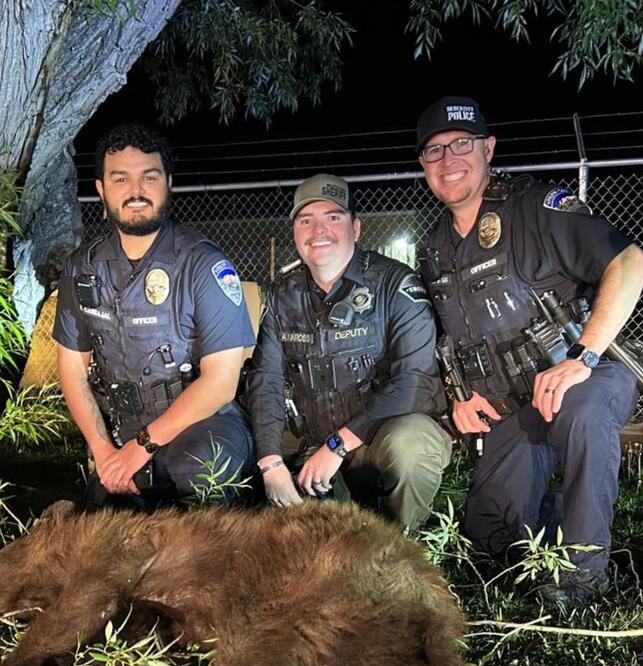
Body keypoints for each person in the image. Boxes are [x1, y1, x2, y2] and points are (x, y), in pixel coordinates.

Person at [417, 95, 643, 604]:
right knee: (491, 545)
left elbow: (629, 262)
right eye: (435, 151)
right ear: (423, 166)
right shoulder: (432, 248)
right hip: (516, 402)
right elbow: (448, 338)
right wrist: (458, 393)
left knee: (581, 413)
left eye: (462, 144)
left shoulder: (536, 208)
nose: (449, 159)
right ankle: (555, 524)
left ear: (488, 148)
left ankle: (581, 575)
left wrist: (581, 357)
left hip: (590, 376)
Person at [53, 124, 255, 508]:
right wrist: (103, 450)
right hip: (123, 433)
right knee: (101, 520)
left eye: (149, 176)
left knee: (194, 471)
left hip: (205, 427)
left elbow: (221, 383)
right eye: (121, 178)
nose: (137, 190)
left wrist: (140, 449)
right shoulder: (82, 269)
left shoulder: (204, 264)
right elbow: (73, 370)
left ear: (168, 183)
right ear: (101, 189)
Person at [246, 173, 451, 529]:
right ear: (295, 231)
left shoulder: (395, 284)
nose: (318, 230)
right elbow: (266, 380)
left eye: (333, 218)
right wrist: (270, 462)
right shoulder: (282, 294)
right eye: (306, 220)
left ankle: (400, 546)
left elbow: (414, 381)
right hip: (310, 437)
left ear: (356, 228)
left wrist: (337, 445)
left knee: (410, 447)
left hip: (375, 437)